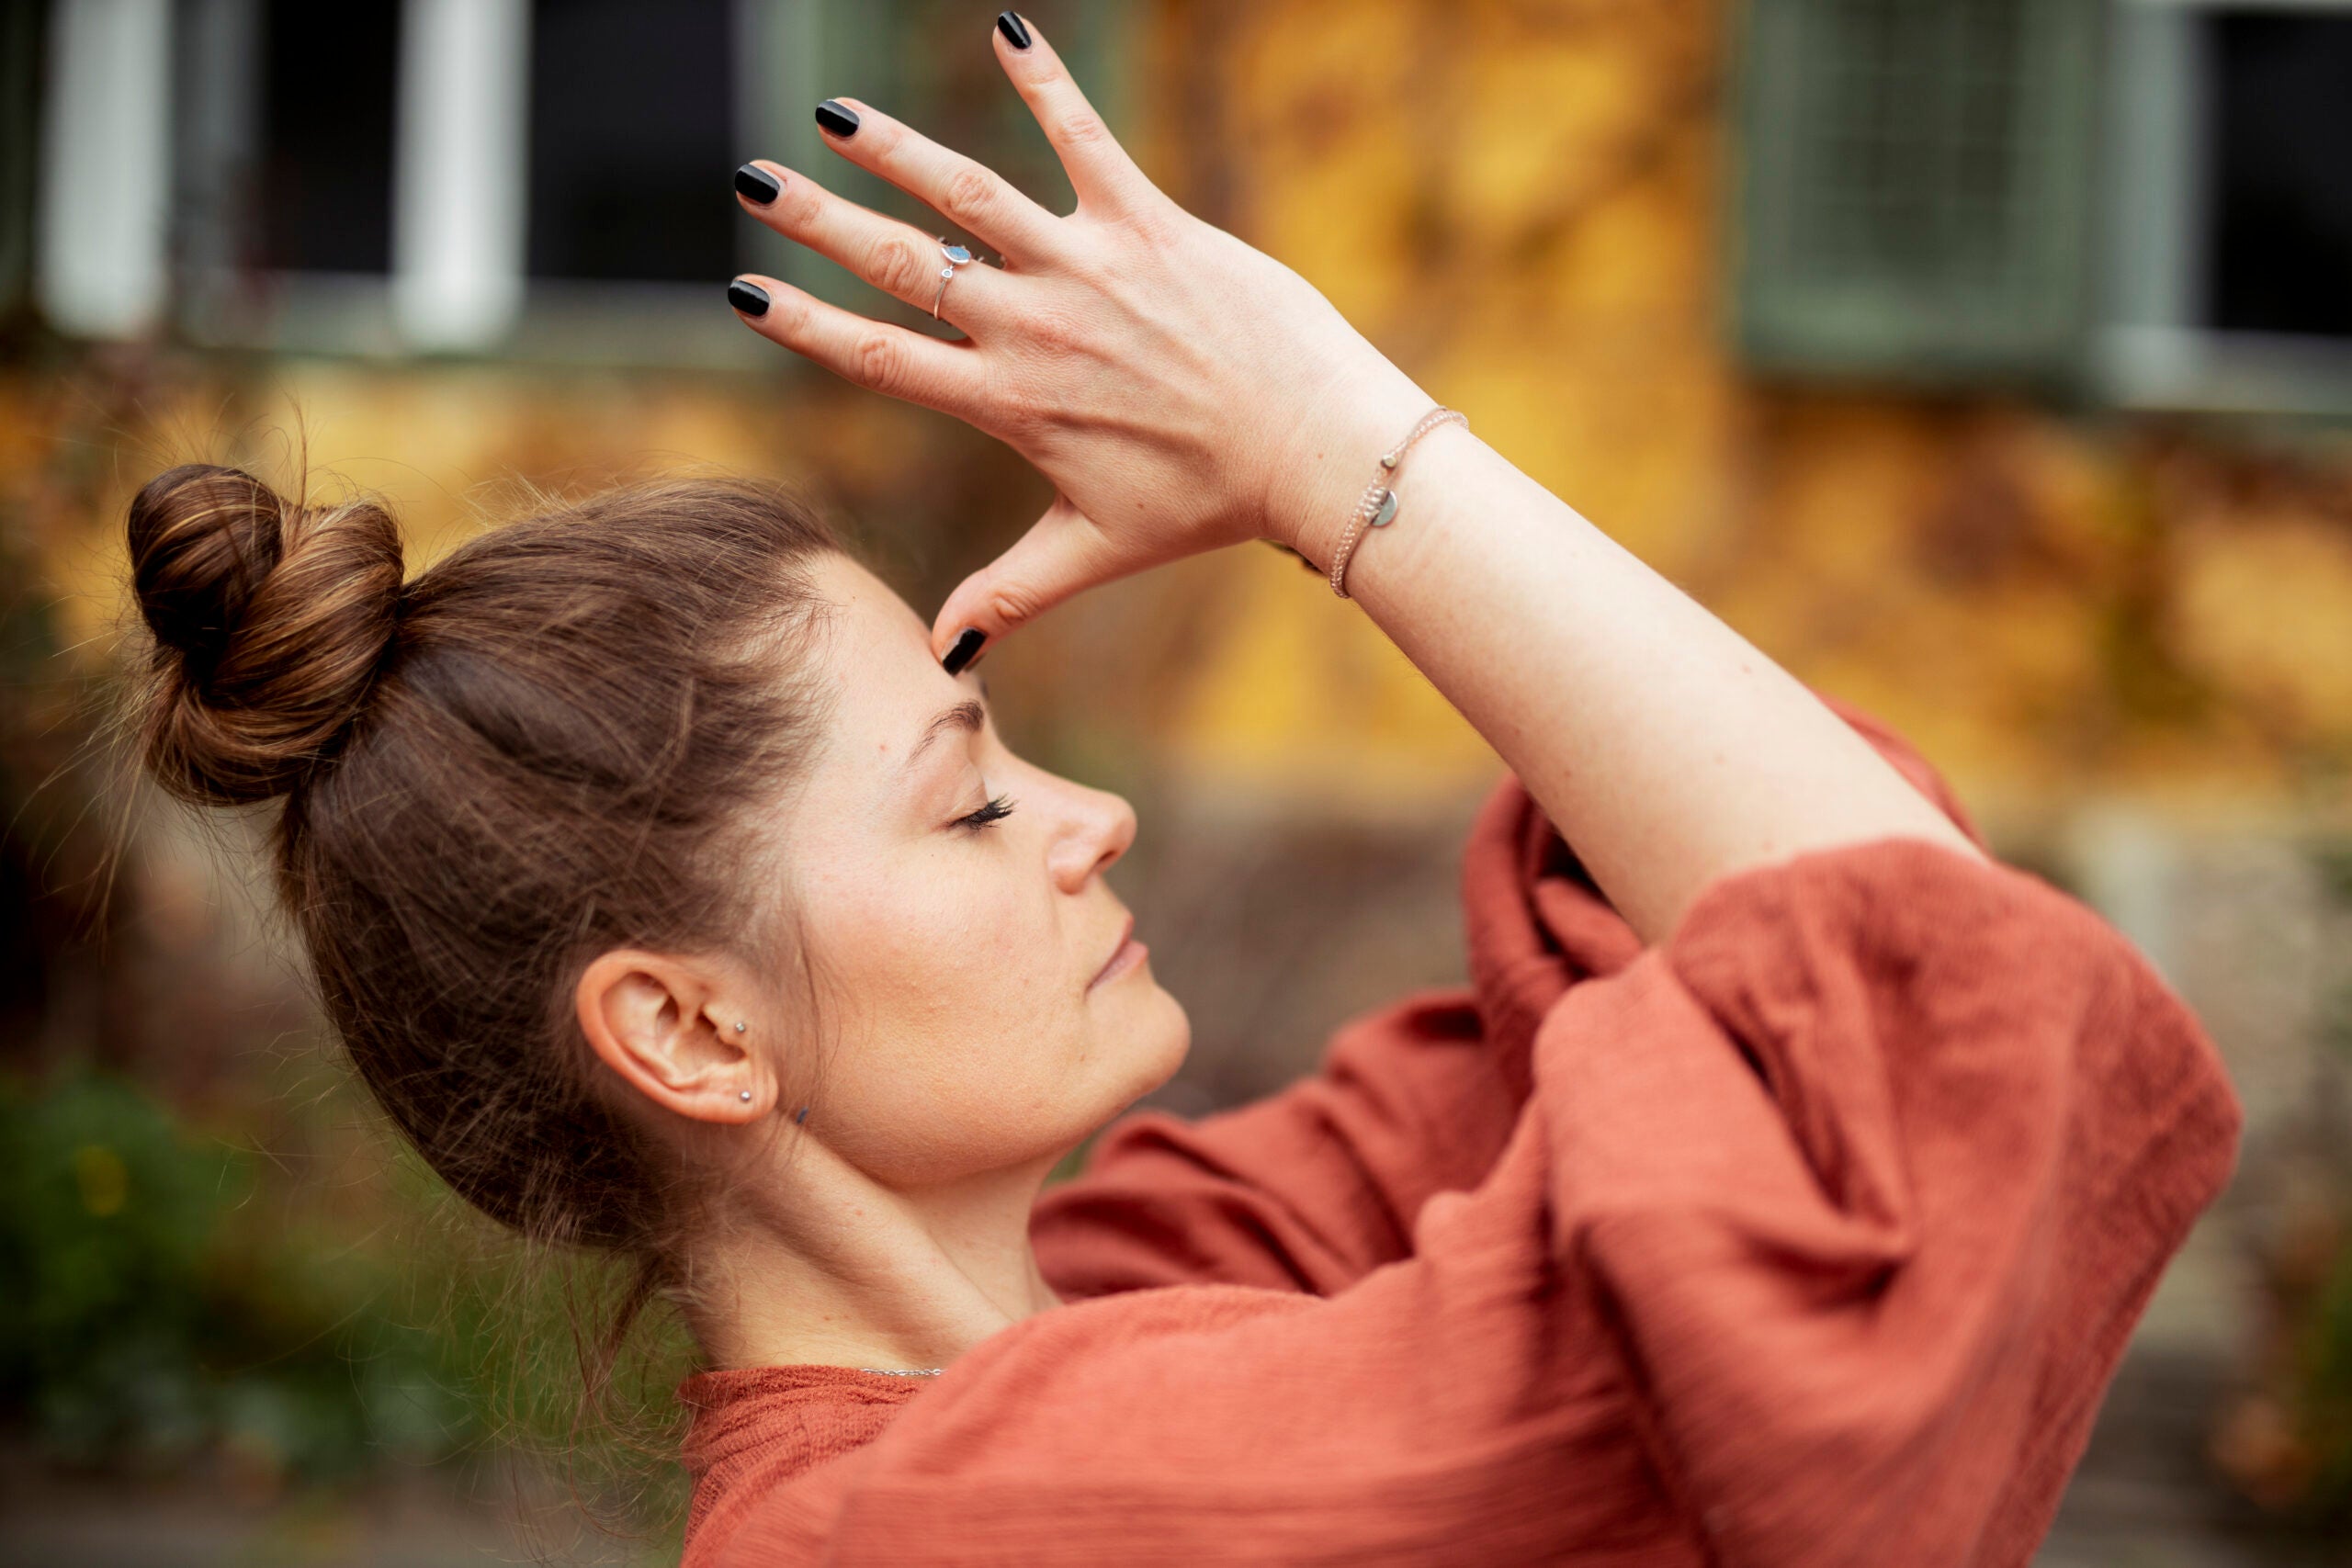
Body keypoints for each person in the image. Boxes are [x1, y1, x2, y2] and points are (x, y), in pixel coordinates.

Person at [120, 11, 2241, 1565]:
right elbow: (1906, 1039)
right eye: (965, 801)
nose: (1088, 816)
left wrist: (1330, 449)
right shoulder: (979, 1517)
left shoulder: (1142, 1283)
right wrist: (1336, 454)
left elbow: (1797, 927)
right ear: (687, 1026)